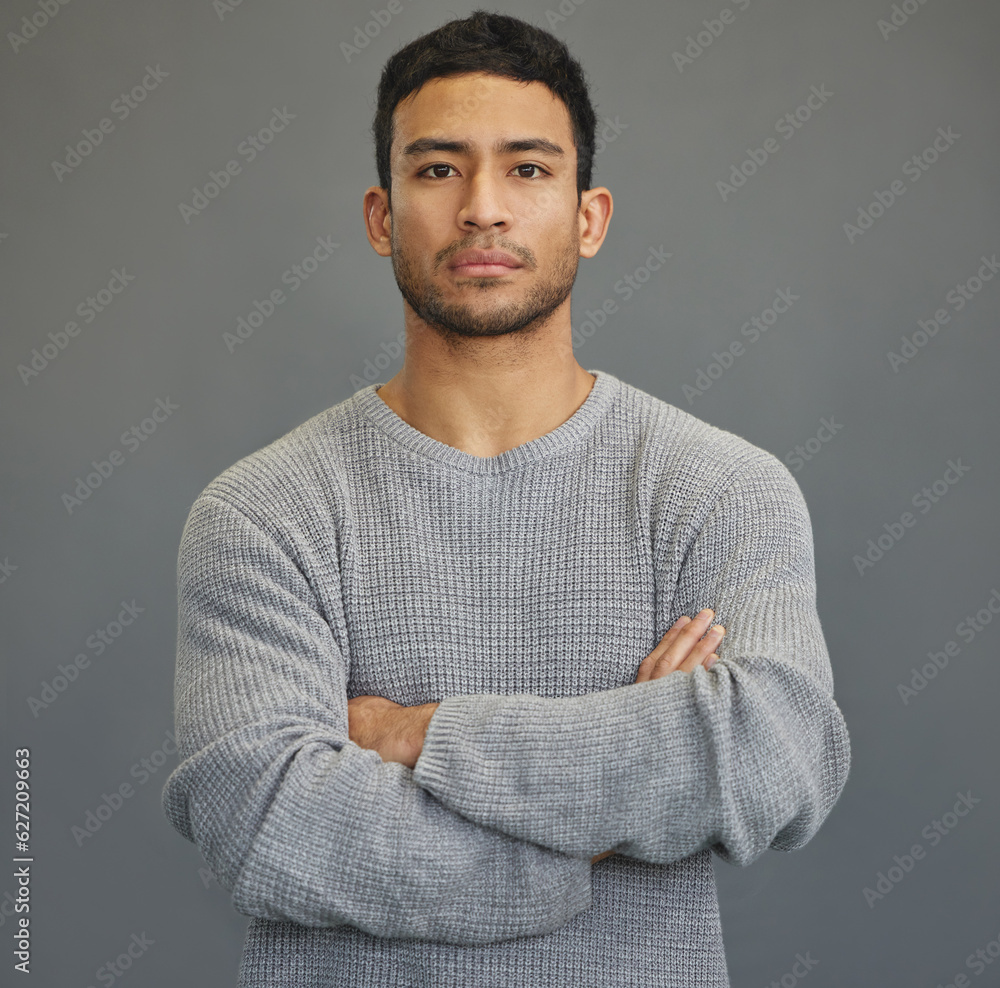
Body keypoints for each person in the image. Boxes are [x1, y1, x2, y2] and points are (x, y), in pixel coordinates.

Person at [161, 10, 851, 987]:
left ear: (588, 216)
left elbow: (778, 760)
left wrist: (420, 733)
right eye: (437, 169)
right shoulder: (264, 511)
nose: (482, 206)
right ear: (380, 214)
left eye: (527, 168)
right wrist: (618, 800)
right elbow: (268, 826)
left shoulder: (718, 489)